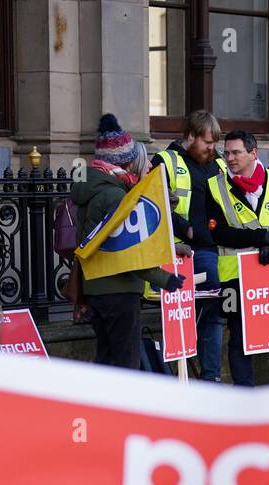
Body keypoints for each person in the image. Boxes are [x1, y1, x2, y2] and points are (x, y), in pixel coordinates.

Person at [72, 114, 185, 369]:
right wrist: (165, 280)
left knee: (107, 359)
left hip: (97, 288)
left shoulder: (94, 187)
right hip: (119, 289)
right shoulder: (115, 195)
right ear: (127, 162)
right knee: (126, 363)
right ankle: (121, 409)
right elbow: (128, 251)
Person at [203, 129, 269, 386]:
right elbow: (217, 232)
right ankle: (244, 396)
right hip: (235, 275)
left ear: (253, 153)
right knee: (239, 337)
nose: (230, 158)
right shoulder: (215, 186)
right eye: (226, 153)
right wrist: (259, 239)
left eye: (236, 152)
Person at [150, 110, 226, 381]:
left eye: (214, 143)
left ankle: (210, 378)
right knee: (178, 317)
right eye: (207, 142)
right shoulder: (165, 160)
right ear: (190, 136)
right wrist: (186, 229)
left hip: (209, 250)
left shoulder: (217, 162)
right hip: (178, 250)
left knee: (214, 312)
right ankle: (180, 379)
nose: (212, 148)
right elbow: (154, 206)